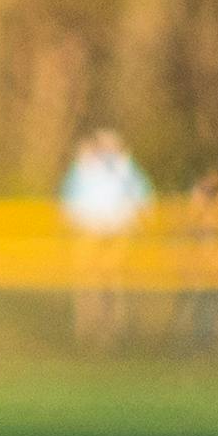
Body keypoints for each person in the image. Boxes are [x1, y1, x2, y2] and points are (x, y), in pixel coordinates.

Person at [56, 128, 150, 346]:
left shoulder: (125, 168)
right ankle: (86, 331)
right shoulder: (84, 167)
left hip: (117, 231)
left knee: (112, 280)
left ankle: (112, 331)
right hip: (87, 230)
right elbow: (68, 199)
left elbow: (142, 197)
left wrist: (135, 222)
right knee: (87, 280)